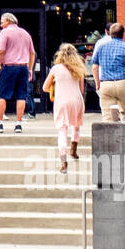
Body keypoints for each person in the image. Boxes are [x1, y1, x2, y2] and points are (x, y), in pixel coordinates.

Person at [43, 44, 87, 174]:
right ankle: (74, 150)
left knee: (62, 130)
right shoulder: (79, 69)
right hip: (77, 100)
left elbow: (45, 87)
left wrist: (55, 86)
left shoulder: (56, 69)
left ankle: (64, 162)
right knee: (76, 125)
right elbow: (82, 89)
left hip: (62, 101)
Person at [0, 13, 35, 133]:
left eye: (2, 22)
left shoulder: (4, 32)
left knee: (2, 95)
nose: (1, 25)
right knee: (21, 96)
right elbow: (32, 53)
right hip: (23, 68)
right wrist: (30, 68)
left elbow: (0, 51)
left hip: (9, 67)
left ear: (8, 21)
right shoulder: (25, 33)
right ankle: (18, 124)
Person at [93, 23, 125, 121]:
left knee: (107, 116)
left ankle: (109, 135)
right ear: (123, 33)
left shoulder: (101, 47)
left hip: (106, 84)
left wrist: (97, 83)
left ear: (110, 33)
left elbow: (94, 67)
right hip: (123, 83)